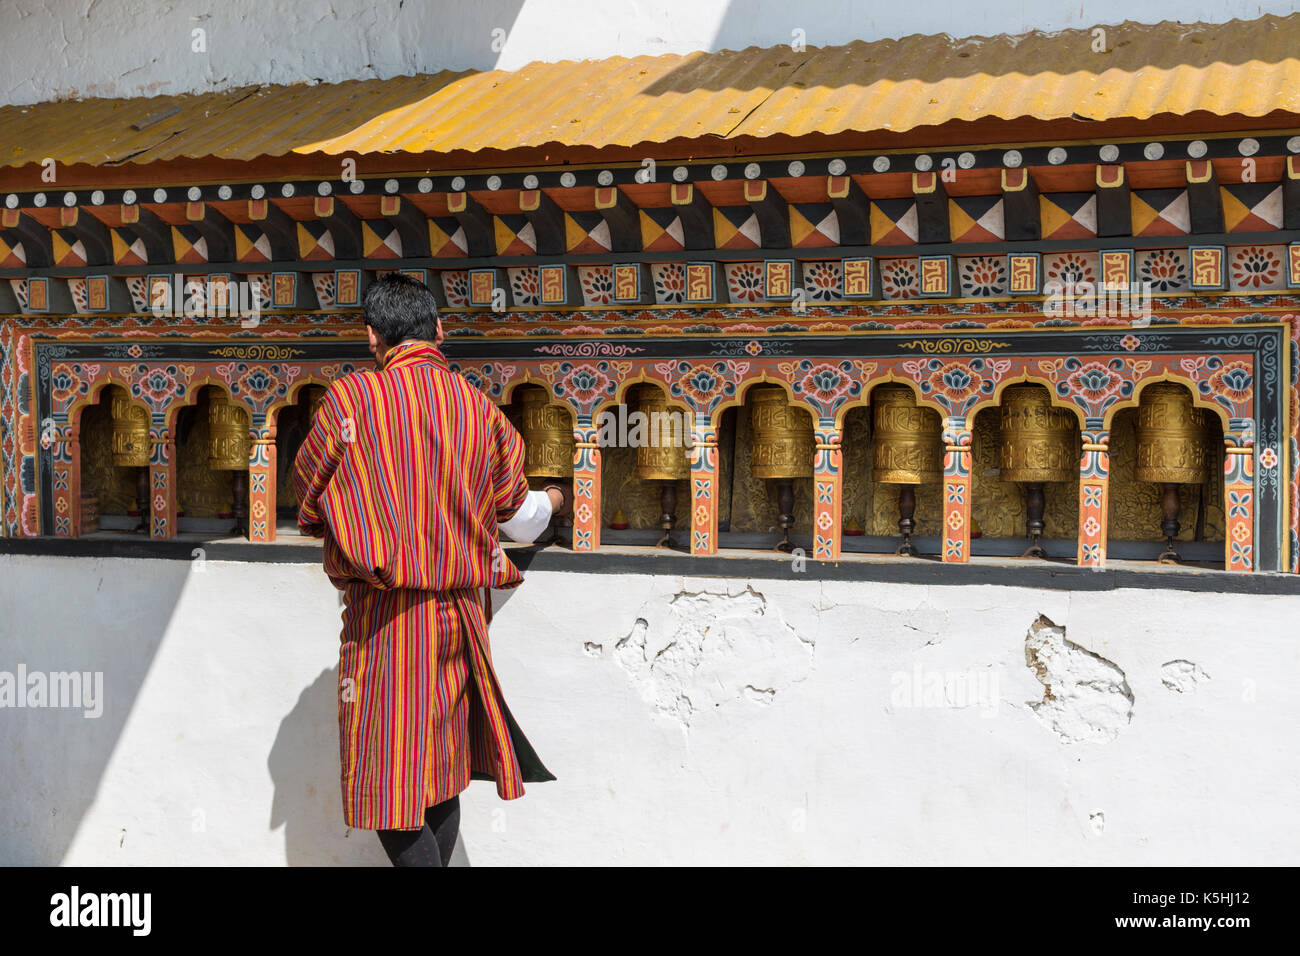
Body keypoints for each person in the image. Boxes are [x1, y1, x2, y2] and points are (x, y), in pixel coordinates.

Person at [292, 272, 569, 867]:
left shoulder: (349, 402)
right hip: (461, 616)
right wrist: (557, 502)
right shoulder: (480, 411)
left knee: (388, 787)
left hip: (387, 620)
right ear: (439, 331)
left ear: (372, 338)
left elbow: (308, 501)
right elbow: (520, 521)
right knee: (441, 772)